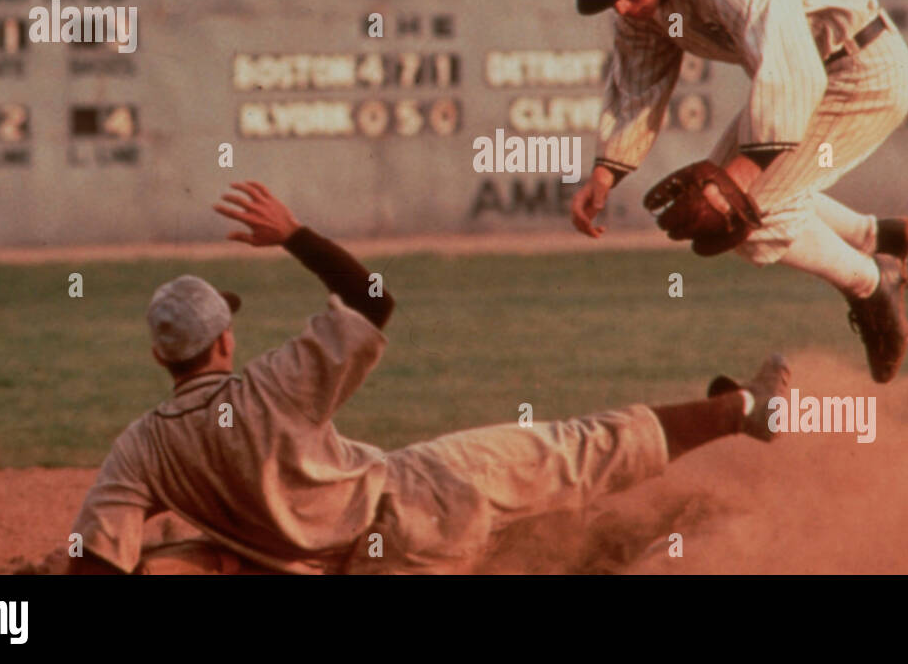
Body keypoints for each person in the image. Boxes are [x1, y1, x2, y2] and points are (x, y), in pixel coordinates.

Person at [67, 181, 791, 575]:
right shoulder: (268, 385)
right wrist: (294, 235)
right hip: (416, 497)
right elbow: (374, 299)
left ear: (162, 358)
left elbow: (98, 567)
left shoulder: (139, 449)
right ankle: (744, 410)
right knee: (576, 451)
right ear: (224, 336)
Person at [562, 0, 908, 383]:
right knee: (741, 198)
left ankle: (874, 283)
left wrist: (737, 182)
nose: (622, 7)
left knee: (747, 219)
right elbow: (639, 86)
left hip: (861, 70)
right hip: (817, 71)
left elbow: (794, 74)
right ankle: (875, 236)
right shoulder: (643, 2)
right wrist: (605, 172)